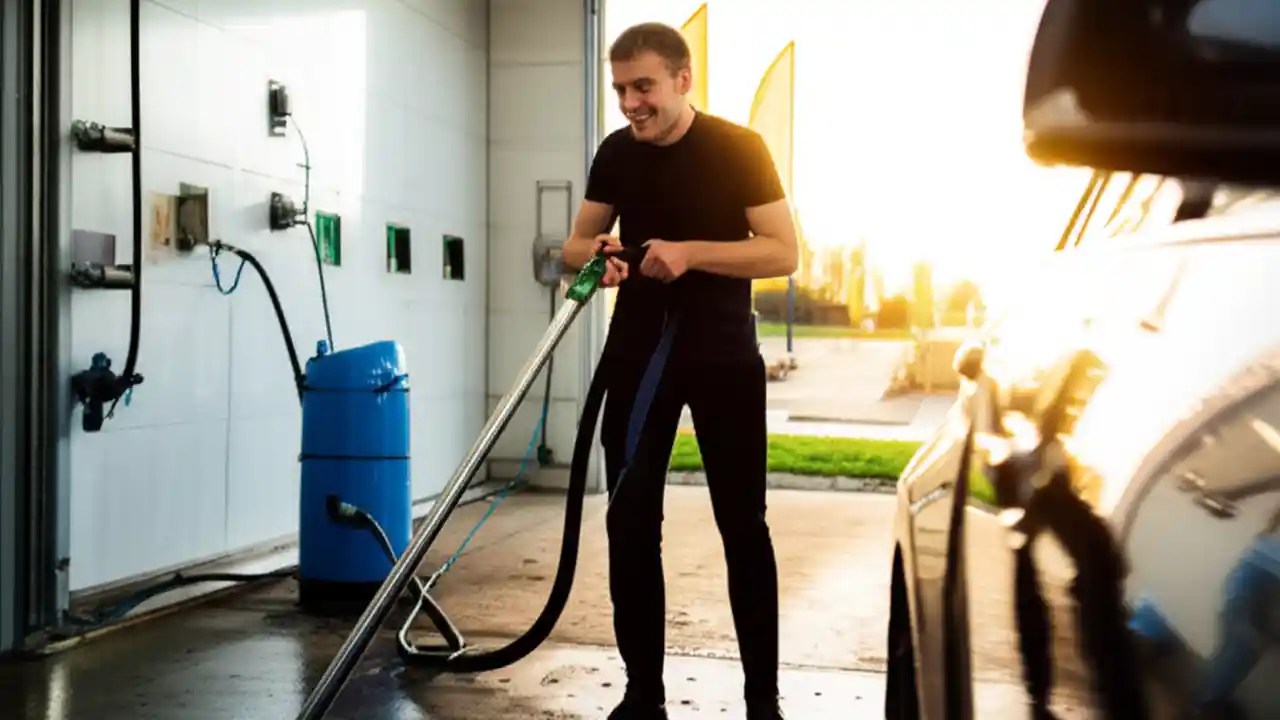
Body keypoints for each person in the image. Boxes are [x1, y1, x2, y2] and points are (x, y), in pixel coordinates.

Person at [561, 21, 798, 720]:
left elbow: (783, 251)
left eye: (644, 87)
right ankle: (644, 695)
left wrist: (692, 253)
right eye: (620, 90)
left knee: (742, 526)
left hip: (723, 357)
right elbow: (573, 244)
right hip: (638, 358)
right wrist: (595, 253)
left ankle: (762, 701)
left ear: (682, 80)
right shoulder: (616, 155)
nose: (631, 103)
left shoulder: (739, 149)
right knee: (630, 524)